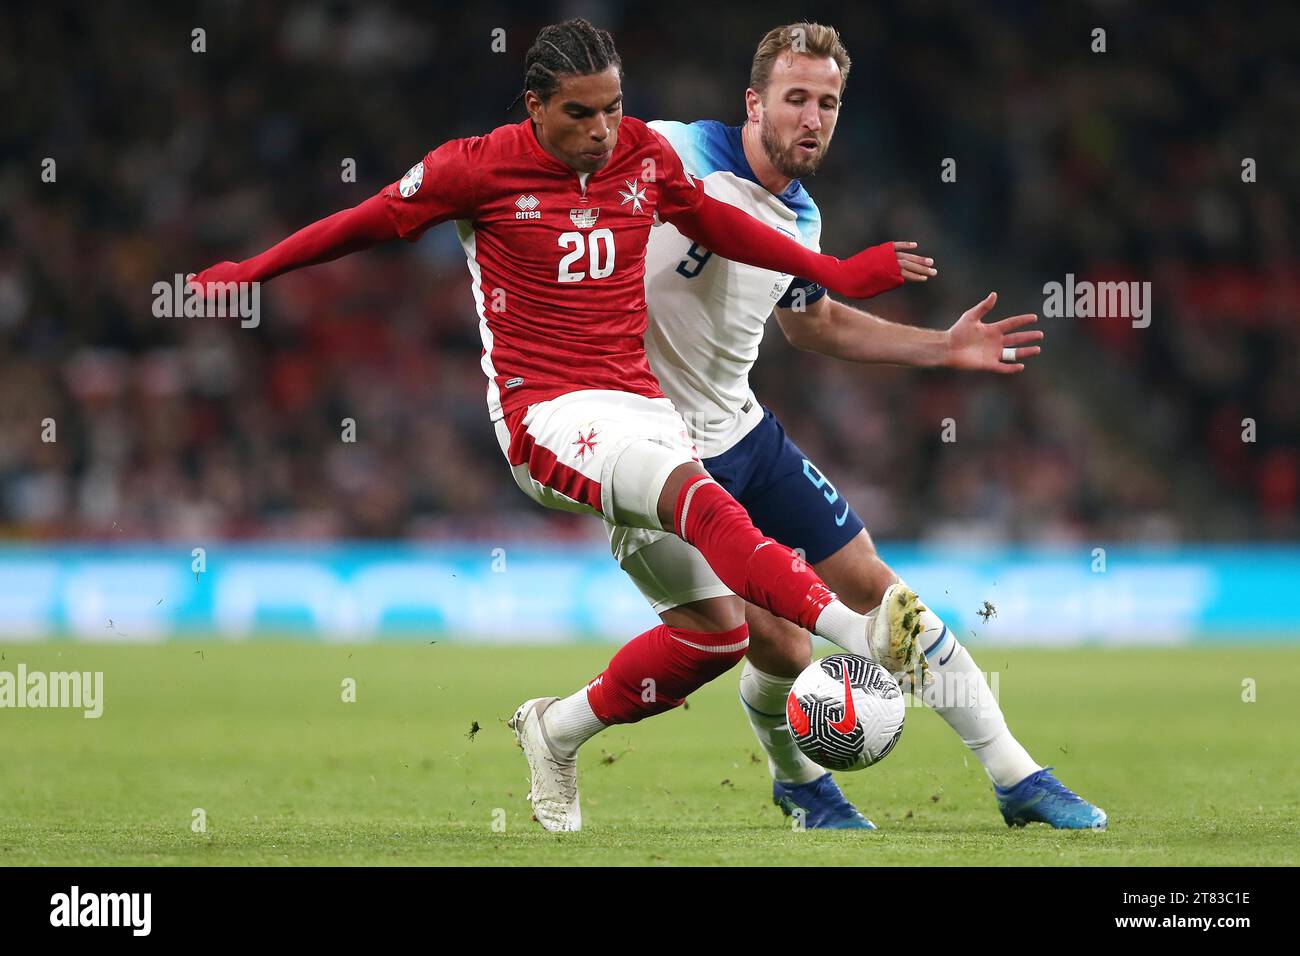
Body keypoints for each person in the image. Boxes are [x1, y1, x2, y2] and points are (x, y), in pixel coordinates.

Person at [189, 18, 929, 833]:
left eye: (613, 108)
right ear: (535, 106)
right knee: (702, 499)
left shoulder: (644, 154)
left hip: (639, 409)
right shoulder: (475, 167)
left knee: (716, 640)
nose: (601, 130)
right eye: (580, 114)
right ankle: (857, 631)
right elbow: (362, 222)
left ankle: (555, 729)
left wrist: (831, 271)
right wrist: (252, 271)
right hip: (545, 415)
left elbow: (723, 225)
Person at [633, 22, 1105, 830]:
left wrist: (942, 349)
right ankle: (802, 785)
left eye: (828, 102)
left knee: (890, 598)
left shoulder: (801, 219)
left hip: (745, 433)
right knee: (782, 649)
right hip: (659, 453)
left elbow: (814, 325)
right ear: (754, 102)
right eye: (795, 99)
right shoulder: (669, 152)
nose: (812, 118)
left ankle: (1016, 776)